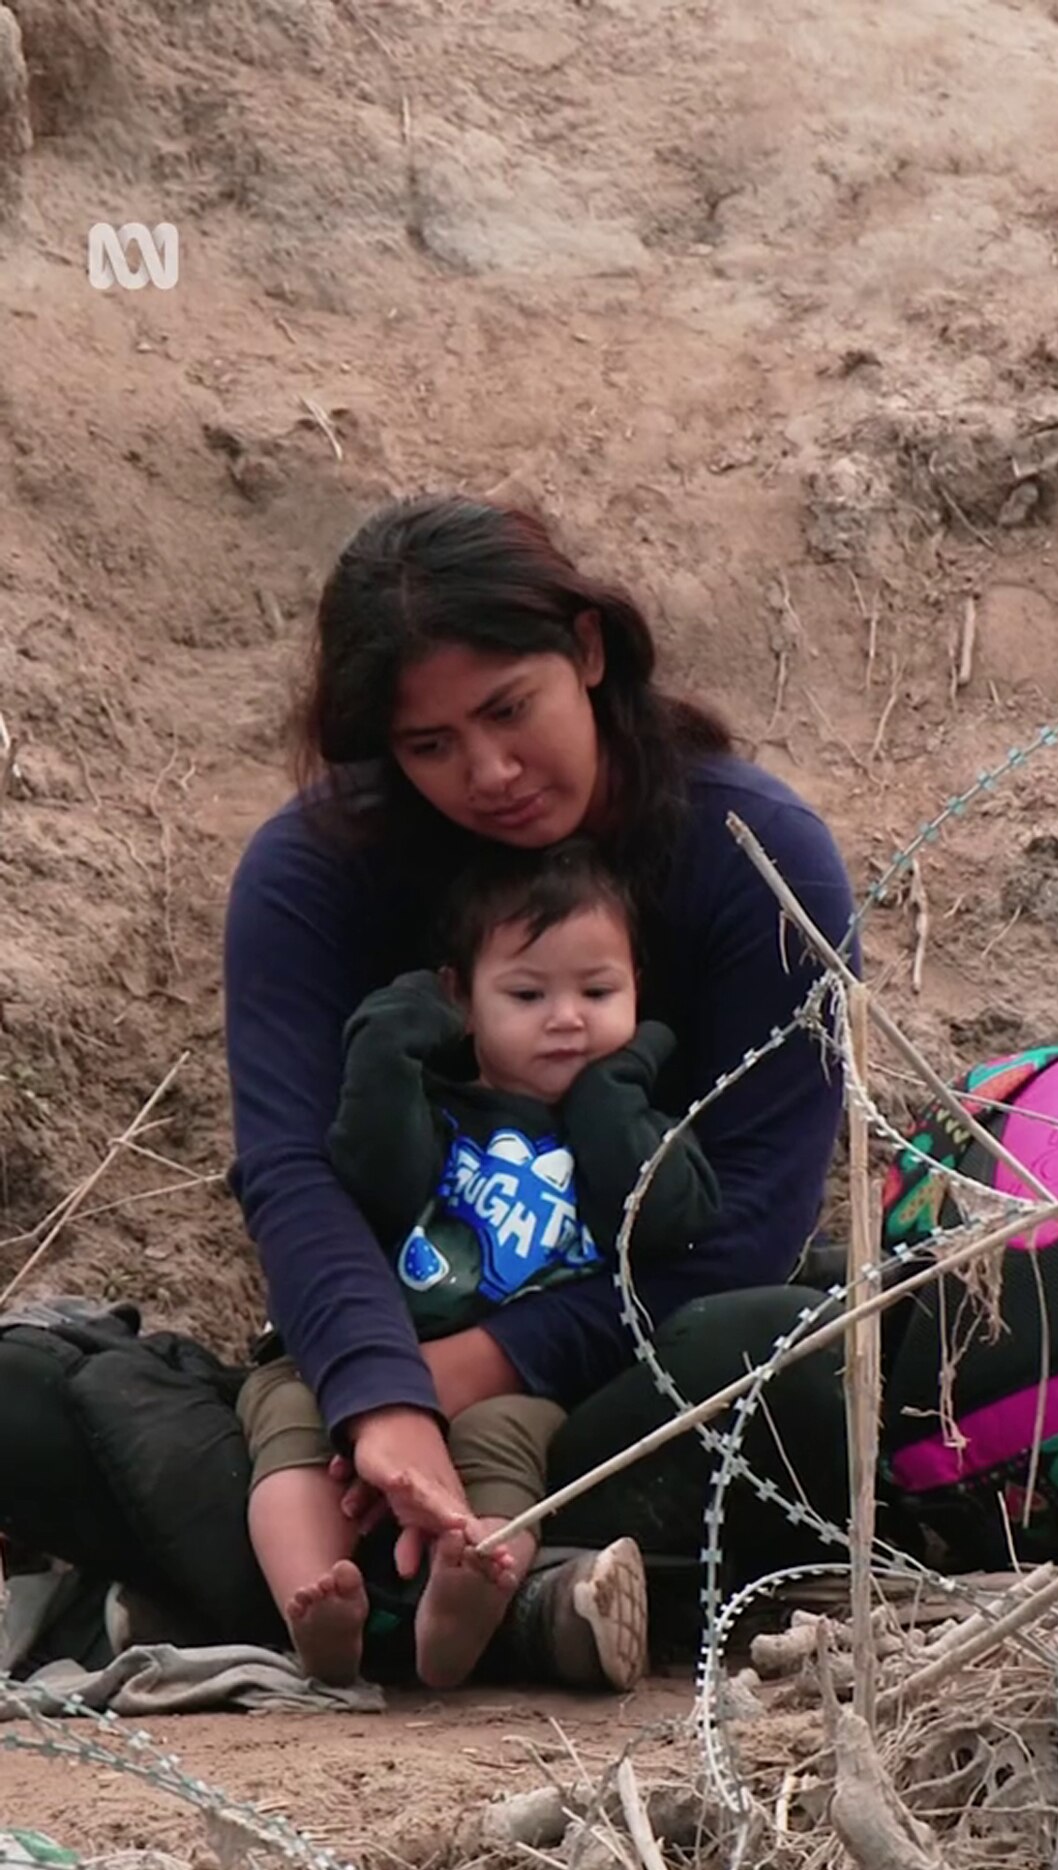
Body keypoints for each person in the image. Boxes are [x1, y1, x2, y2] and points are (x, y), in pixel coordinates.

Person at [224, 493, 858, 1676]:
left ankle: (420, 1591)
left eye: (510, 711)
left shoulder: (755, 862)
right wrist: (376, 1399)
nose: (490, 772)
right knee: (37, 1396)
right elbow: (294, 1176)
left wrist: (453, 1380)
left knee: (791, 1356)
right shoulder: (314, 874)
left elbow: (745, 1234)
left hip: (620, 1382)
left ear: (588, 649)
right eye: (430, 746)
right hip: (366, 1352)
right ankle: (502, 1601)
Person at [237, 838, 721, 1689]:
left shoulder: (646, 1129)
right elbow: (369, 1175)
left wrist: (611, 1098)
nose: (566, 1017)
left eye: (598, 992)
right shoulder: (439, 1110)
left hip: (525, 1387)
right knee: (293, 1424)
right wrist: (393, 1041)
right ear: (463, 999)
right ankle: (317, 1605)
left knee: (505, 1448)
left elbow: (671, 1228)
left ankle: (465, 1595)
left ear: (638, 992)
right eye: (527, 994)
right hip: (361, 1363)